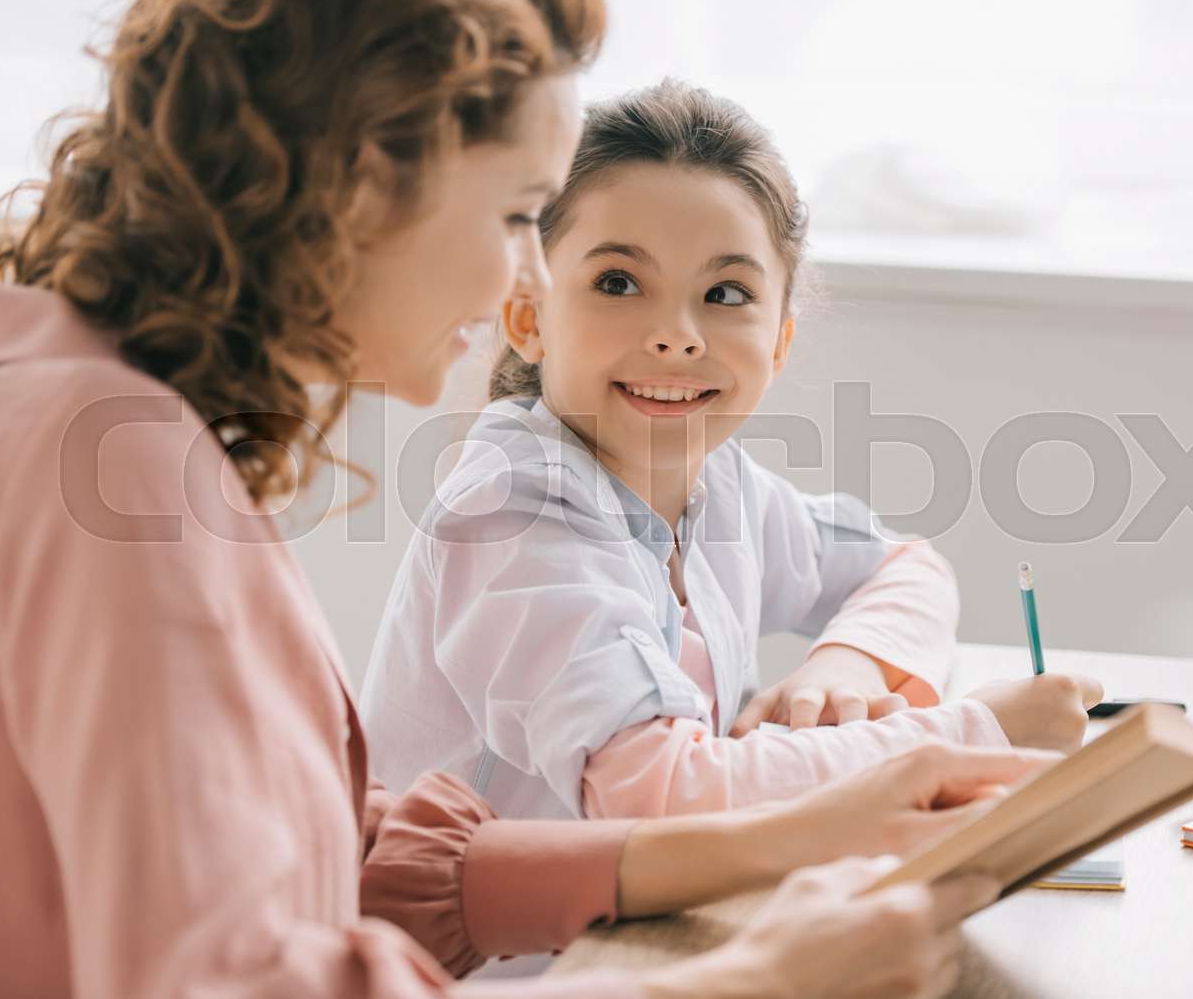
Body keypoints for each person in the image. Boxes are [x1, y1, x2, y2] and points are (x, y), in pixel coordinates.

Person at [0, 0, 1058, 997]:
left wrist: (778, 836)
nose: (522, 289)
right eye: (515, 217)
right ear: (354, 179)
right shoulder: (115, 500)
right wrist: (746, 982)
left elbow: (320, 857)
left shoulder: (9, 404)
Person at [361, 79, 1102, 822]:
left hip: (657, 928)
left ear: (778, 342)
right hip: (503, 944)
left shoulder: (721, 489)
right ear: (528, 316)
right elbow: (657, 792)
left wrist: (849, 661)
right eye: (618, 282)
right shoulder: (511, 515)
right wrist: (976, 732)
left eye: (725, 294)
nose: (678, 334)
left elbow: (904, 566)